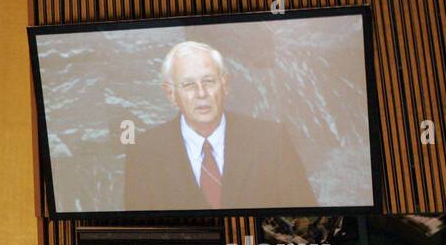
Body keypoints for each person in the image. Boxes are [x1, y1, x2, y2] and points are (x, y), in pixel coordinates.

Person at [123, 40, 315, 211]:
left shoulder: (271, 139)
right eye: (189, 84)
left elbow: (304, 220)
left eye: (208, 81)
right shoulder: (144, 151)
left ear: (225, 84)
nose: (201, 93)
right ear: (171, 94)